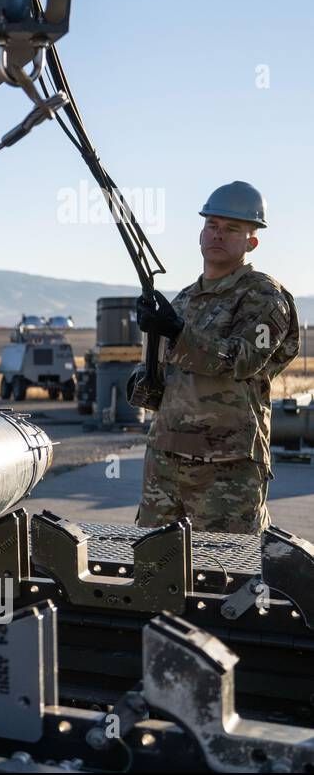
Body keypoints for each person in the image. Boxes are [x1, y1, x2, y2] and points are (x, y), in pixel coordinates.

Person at [135, 181, 299, 535]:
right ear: (200, 233)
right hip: (165, 463)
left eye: (232, 229)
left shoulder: (264, 297)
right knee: (154, 572)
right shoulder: (184, 299)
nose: (218, 235)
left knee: (226, 574)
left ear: (251, 242)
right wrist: (145, 364)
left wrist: (177, 332)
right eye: (212, 225)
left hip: (227, 469)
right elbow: (162, 382)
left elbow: (243, 360)